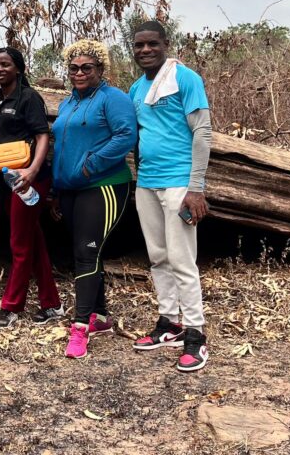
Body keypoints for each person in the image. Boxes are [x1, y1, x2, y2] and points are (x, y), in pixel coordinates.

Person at [127, 20, 212, 373]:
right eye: (139, 46)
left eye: (152, 44)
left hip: (179, 182)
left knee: (182, 259)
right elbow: (137, 134)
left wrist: (196, 187)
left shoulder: (185, 78)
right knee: (158, 257)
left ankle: (195, 334)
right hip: (147, 182)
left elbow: (202, 132)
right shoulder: (136, 88)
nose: (145, 51)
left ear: (165, 44)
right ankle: (169, 324)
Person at [49, 39, 137, 358]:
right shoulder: (67, 103)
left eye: (87, 67)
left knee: (86, 253)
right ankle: (99, 317)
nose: (79, 73)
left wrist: (91, 164)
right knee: (86, 251)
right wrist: (57, 190)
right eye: (73, 68)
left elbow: (126, 135)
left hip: (104, 185)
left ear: (101, 69)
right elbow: (61, 147)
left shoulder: (113, 99)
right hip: (70, 189)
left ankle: (80, 328)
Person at [0, 47, 63, 330]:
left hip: (29, 180)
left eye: (5, 64)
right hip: (6, 179)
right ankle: (52, 304)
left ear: (19, 69)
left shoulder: (28, 98)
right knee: (33, 240)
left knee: (19, 243)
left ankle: (11, 307)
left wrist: (32, 171)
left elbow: (43, 136)